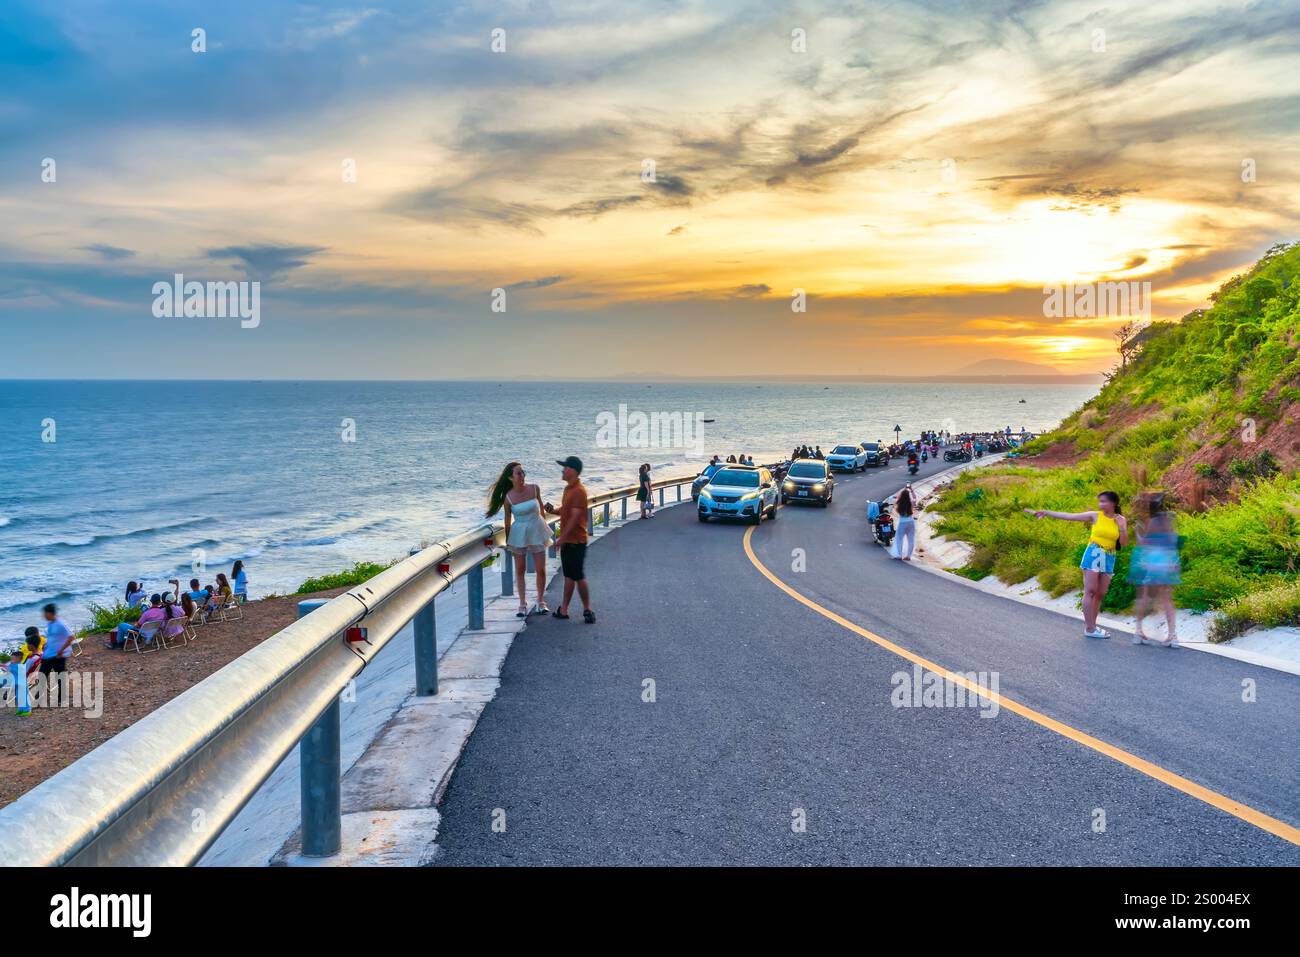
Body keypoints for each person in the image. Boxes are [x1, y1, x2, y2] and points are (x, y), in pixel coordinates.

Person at [1024, 491, 1128, 639]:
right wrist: (1046, 512)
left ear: (1114, 503)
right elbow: (1069, 516)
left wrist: (1122, 527)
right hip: (1094, 553)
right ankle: (1090, 628)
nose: (1101, 504)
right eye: (1100, 501)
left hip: (1109, 556)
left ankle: (1093, 626)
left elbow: (1123, 543)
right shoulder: (1095, 515)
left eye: (1104, 501)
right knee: (1090, 591)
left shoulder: (1121, 519)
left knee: (1100, 594)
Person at [488, 461, 552, 618]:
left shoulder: (535, 488)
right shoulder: (508, 498)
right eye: (518, 473)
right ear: (511, 478)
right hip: (519, 533)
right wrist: (510, 541)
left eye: (523, 472)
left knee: (541, 569)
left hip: (537, 529)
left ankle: (541, 601)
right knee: (520, 570)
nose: (522, 475)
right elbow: (507, 521)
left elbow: (541, 509)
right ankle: (522, 604)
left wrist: (545, 529)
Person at [545, 455, 594, 624]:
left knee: (577, 575)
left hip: (576, 541)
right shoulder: (569, 489)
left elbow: (574, 518)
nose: (563, 470)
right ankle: (564, 609)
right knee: (570, 576)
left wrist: (560, 539)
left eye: (565, 467)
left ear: (572, 470)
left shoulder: (579, 491)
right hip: (569, 541)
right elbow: (567, 510)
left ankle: (587, 609)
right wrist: (553, 511)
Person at [1129, 494, 1181, 647]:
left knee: (1143, 595)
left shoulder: (1146, 521)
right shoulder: (1170, 519)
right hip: (1167, 558)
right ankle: (1172, 635)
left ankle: (1138, 631)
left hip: (1148, 558)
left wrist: (1138, 534)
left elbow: (1143, 542)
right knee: (1167, 597)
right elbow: (1174, 540)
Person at [39, 603, 75, 705]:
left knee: (60, 677)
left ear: (50, 613)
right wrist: (46, 644)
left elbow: (71, 637)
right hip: (48, 654)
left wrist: (61, 650)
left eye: (45, 613)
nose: (44, 616)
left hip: (58, 655)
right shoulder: (50, 623)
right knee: (42, 675)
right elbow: (53, 637)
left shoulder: (60, 624)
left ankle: (61, 698)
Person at [893, 484, 921, 561]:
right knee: (911, 539)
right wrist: (911, 490)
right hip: (911, 522)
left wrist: (904, 490)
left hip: (902, 522)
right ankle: (908, 556)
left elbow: (897, 497)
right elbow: (915, 497)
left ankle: (899, 555)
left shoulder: (899, 503)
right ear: (908, 496)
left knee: (899, 539)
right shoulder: (911, 502)